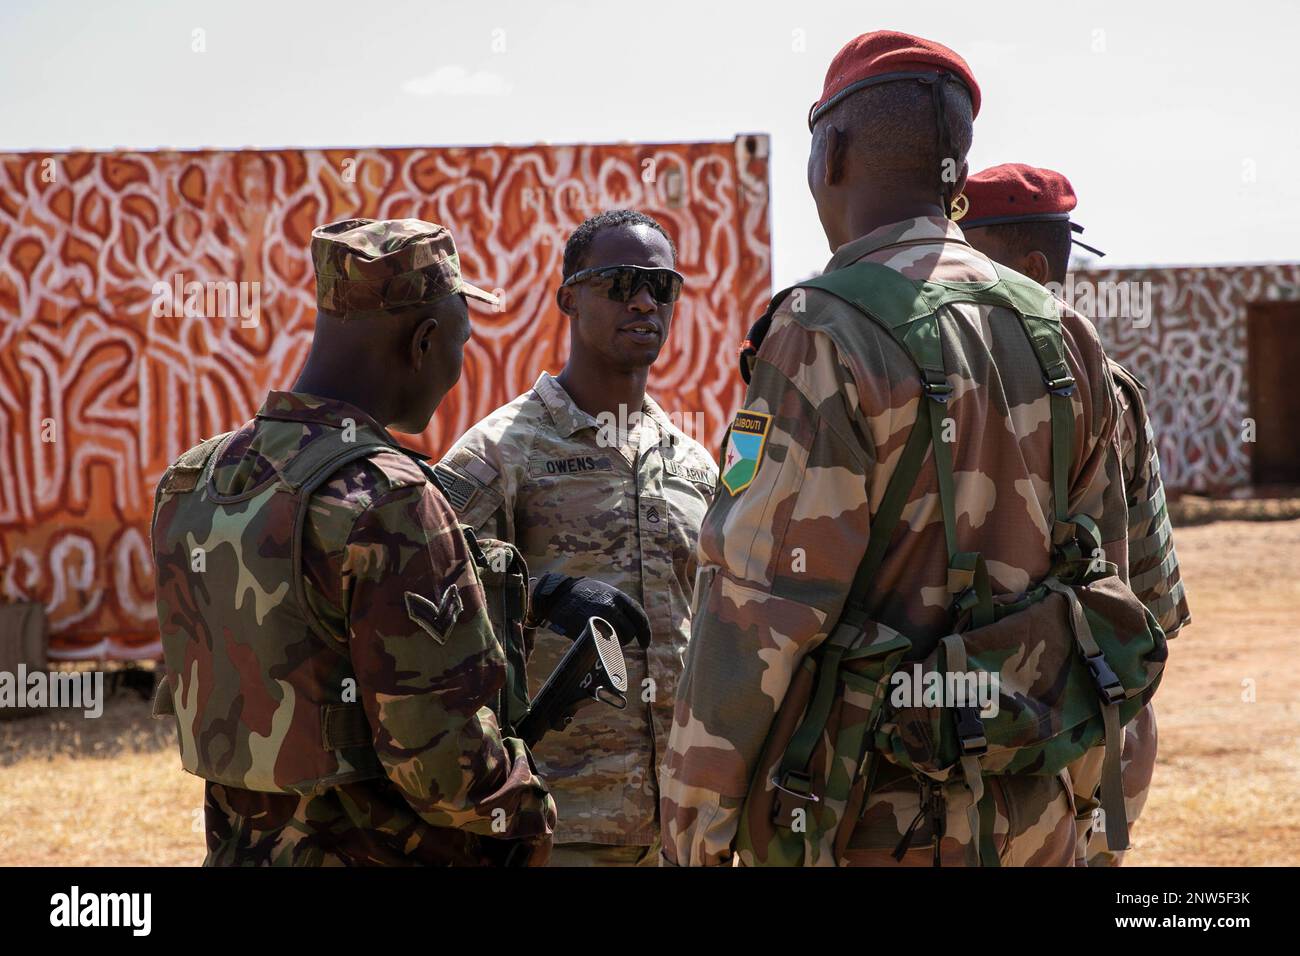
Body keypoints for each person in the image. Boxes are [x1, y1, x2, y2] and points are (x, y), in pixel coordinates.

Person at [660, 31, 1134, 867]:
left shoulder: (822, 331)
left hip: (867, 828)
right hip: (1037, 817)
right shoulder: (1067, 337)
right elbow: (1108, 594)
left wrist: (696, 832)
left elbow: (759, 613)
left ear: (831, 151)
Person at [151, 218, 637, 866]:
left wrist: (531, 596)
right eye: (461, 344)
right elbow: (449, 773)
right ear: (424, 341)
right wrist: (529, 813)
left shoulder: (194, 480)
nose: (459, 369)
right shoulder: (390, 501)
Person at [437, 209, 718, 866]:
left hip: (683, 826)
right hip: (554, 827)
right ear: (568, 297)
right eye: (620, 284)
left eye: (662, 285)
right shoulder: (500, 454)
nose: (645, 301)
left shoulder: (692, 464)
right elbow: (423, 606)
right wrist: (543, 594)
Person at [959, 163, 1191, 864]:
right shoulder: (1108, 390)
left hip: (984, 745)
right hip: (1056, 747)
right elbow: (1151, 609)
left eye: (964, 257)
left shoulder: (928, 388)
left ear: (1030, 267)